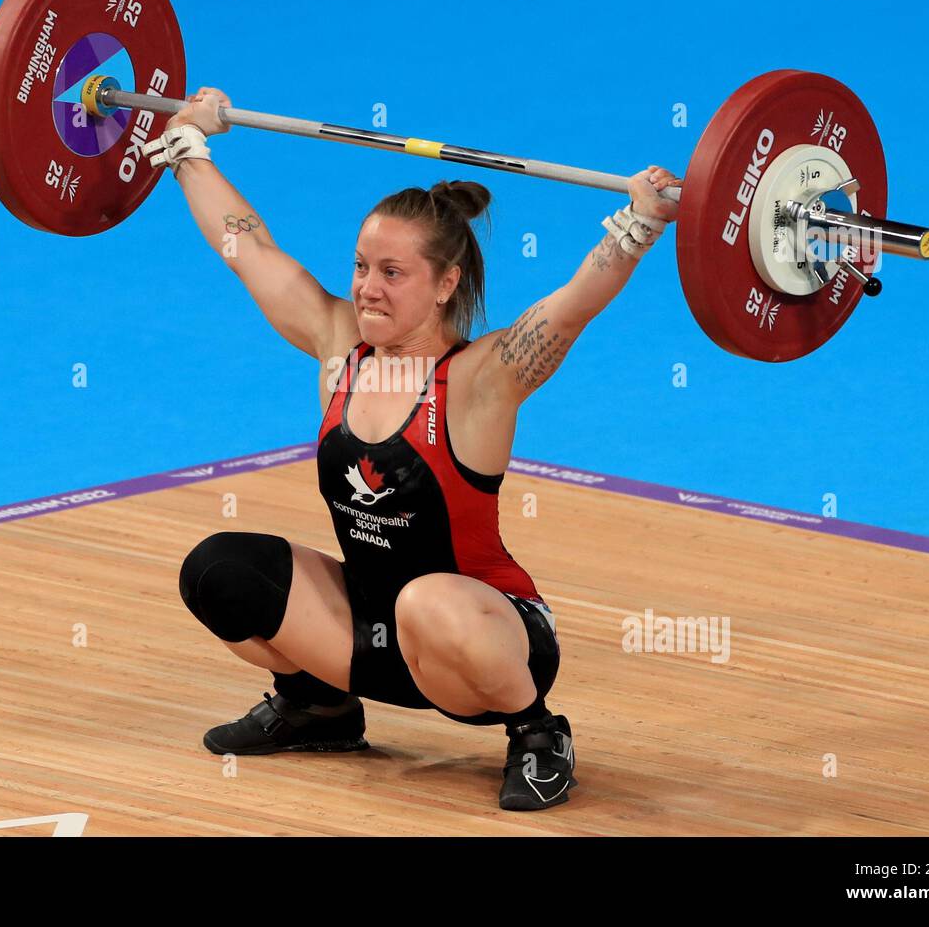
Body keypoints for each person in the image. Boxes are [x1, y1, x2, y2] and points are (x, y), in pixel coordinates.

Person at [149, 87, 680, 811]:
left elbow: (577, 301)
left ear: (446, 284)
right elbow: (247, 248)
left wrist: (641, 221)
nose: (367, 287)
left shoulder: (481, 379)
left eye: (392, 273)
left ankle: (537, 732)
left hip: (483, 643)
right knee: (218, 570)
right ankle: (319, 708)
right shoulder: (339, 344)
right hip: (371, 635)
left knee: (427, 600)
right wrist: (187, 147)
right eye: (362, 266)